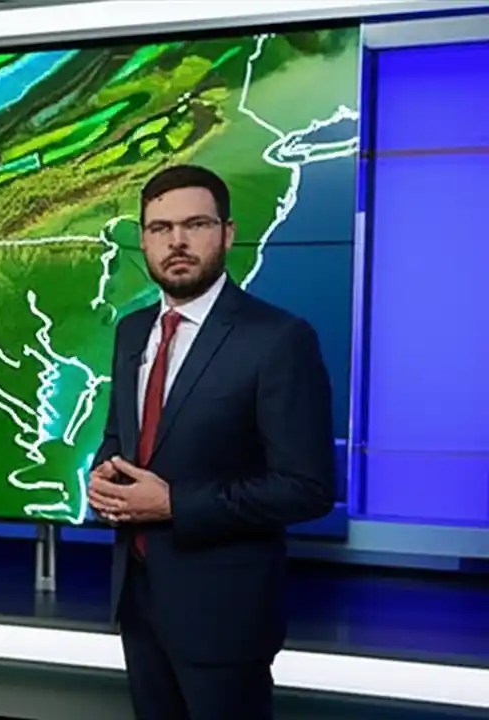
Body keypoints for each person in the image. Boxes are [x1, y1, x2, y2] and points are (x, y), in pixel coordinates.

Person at [86, 164, 337, 720]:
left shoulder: (278, 340)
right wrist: (104, 477)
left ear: (227, 232)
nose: (176, 241)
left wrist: (175, 503)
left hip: (225, 619)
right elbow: (120, 440)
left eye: (194, 224)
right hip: (140, 604)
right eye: (159, 228)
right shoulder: (132, 331)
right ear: (144, 239)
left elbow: (308, 488)